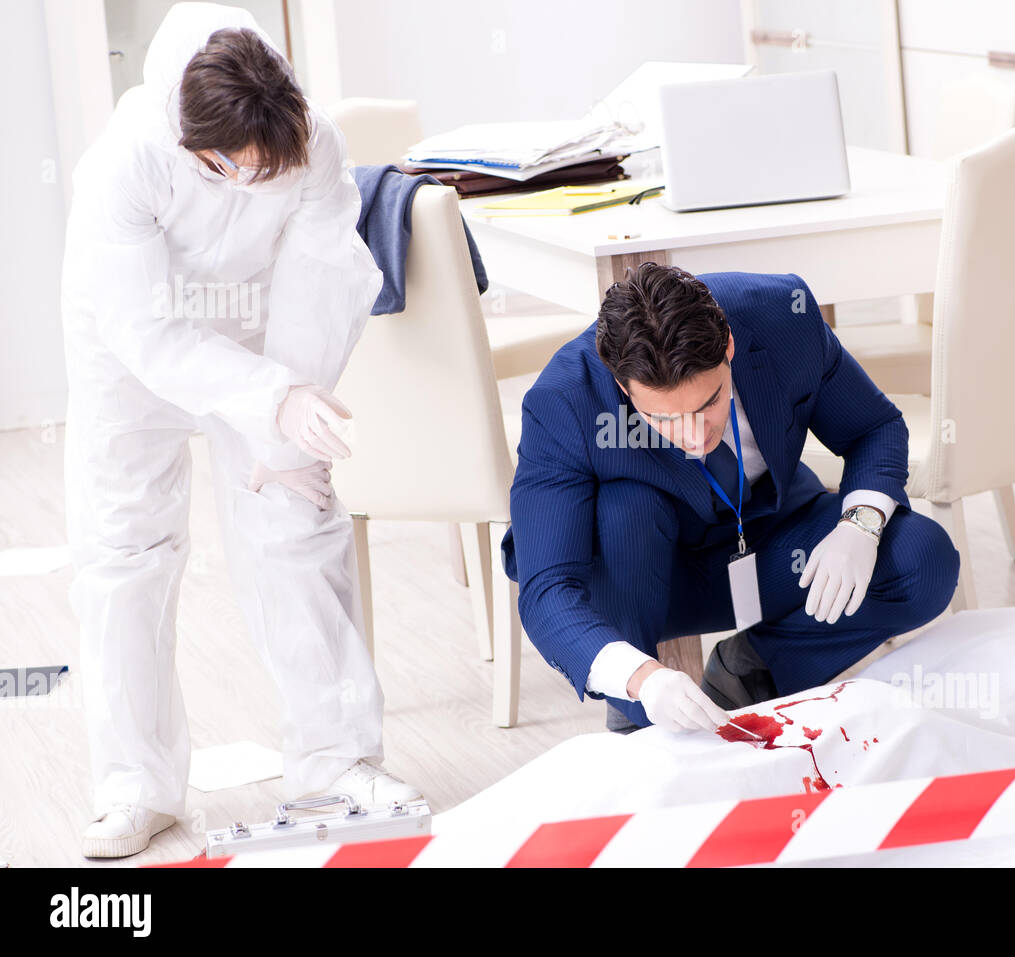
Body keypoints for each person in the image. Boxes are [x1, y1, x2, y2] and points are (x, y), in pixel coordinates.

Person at [62, 3, 418, 859]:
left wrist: (288, 413)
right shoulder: (127, 162)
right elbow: (147, 333)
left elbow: (322, 275)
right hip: (127, 346)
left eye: (272, 170)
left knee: (296, 523)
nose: (255, 186)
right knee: (127, 552)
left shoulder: (313, 140)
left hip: (260, 329)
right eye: (236, 172)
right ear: (195, 148)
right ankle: (135, 784)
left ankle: (336, 760)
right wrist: (265, 395)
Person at [501, 263, 961, 733]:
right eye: (664, 419)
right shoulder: (563, 399)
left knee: (921, 559)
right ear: (624, 386)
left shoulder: (783, 316)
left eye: (708, 404)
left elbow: (873, 427)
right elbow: (546, 588)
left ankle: (753, 669)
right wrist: (640, 678)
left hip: (772, 545)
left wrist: (859, 525)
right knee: (626, 509)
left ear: (729, 348)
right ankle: (640, 724)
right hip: (640, 581)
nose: (694, 437)